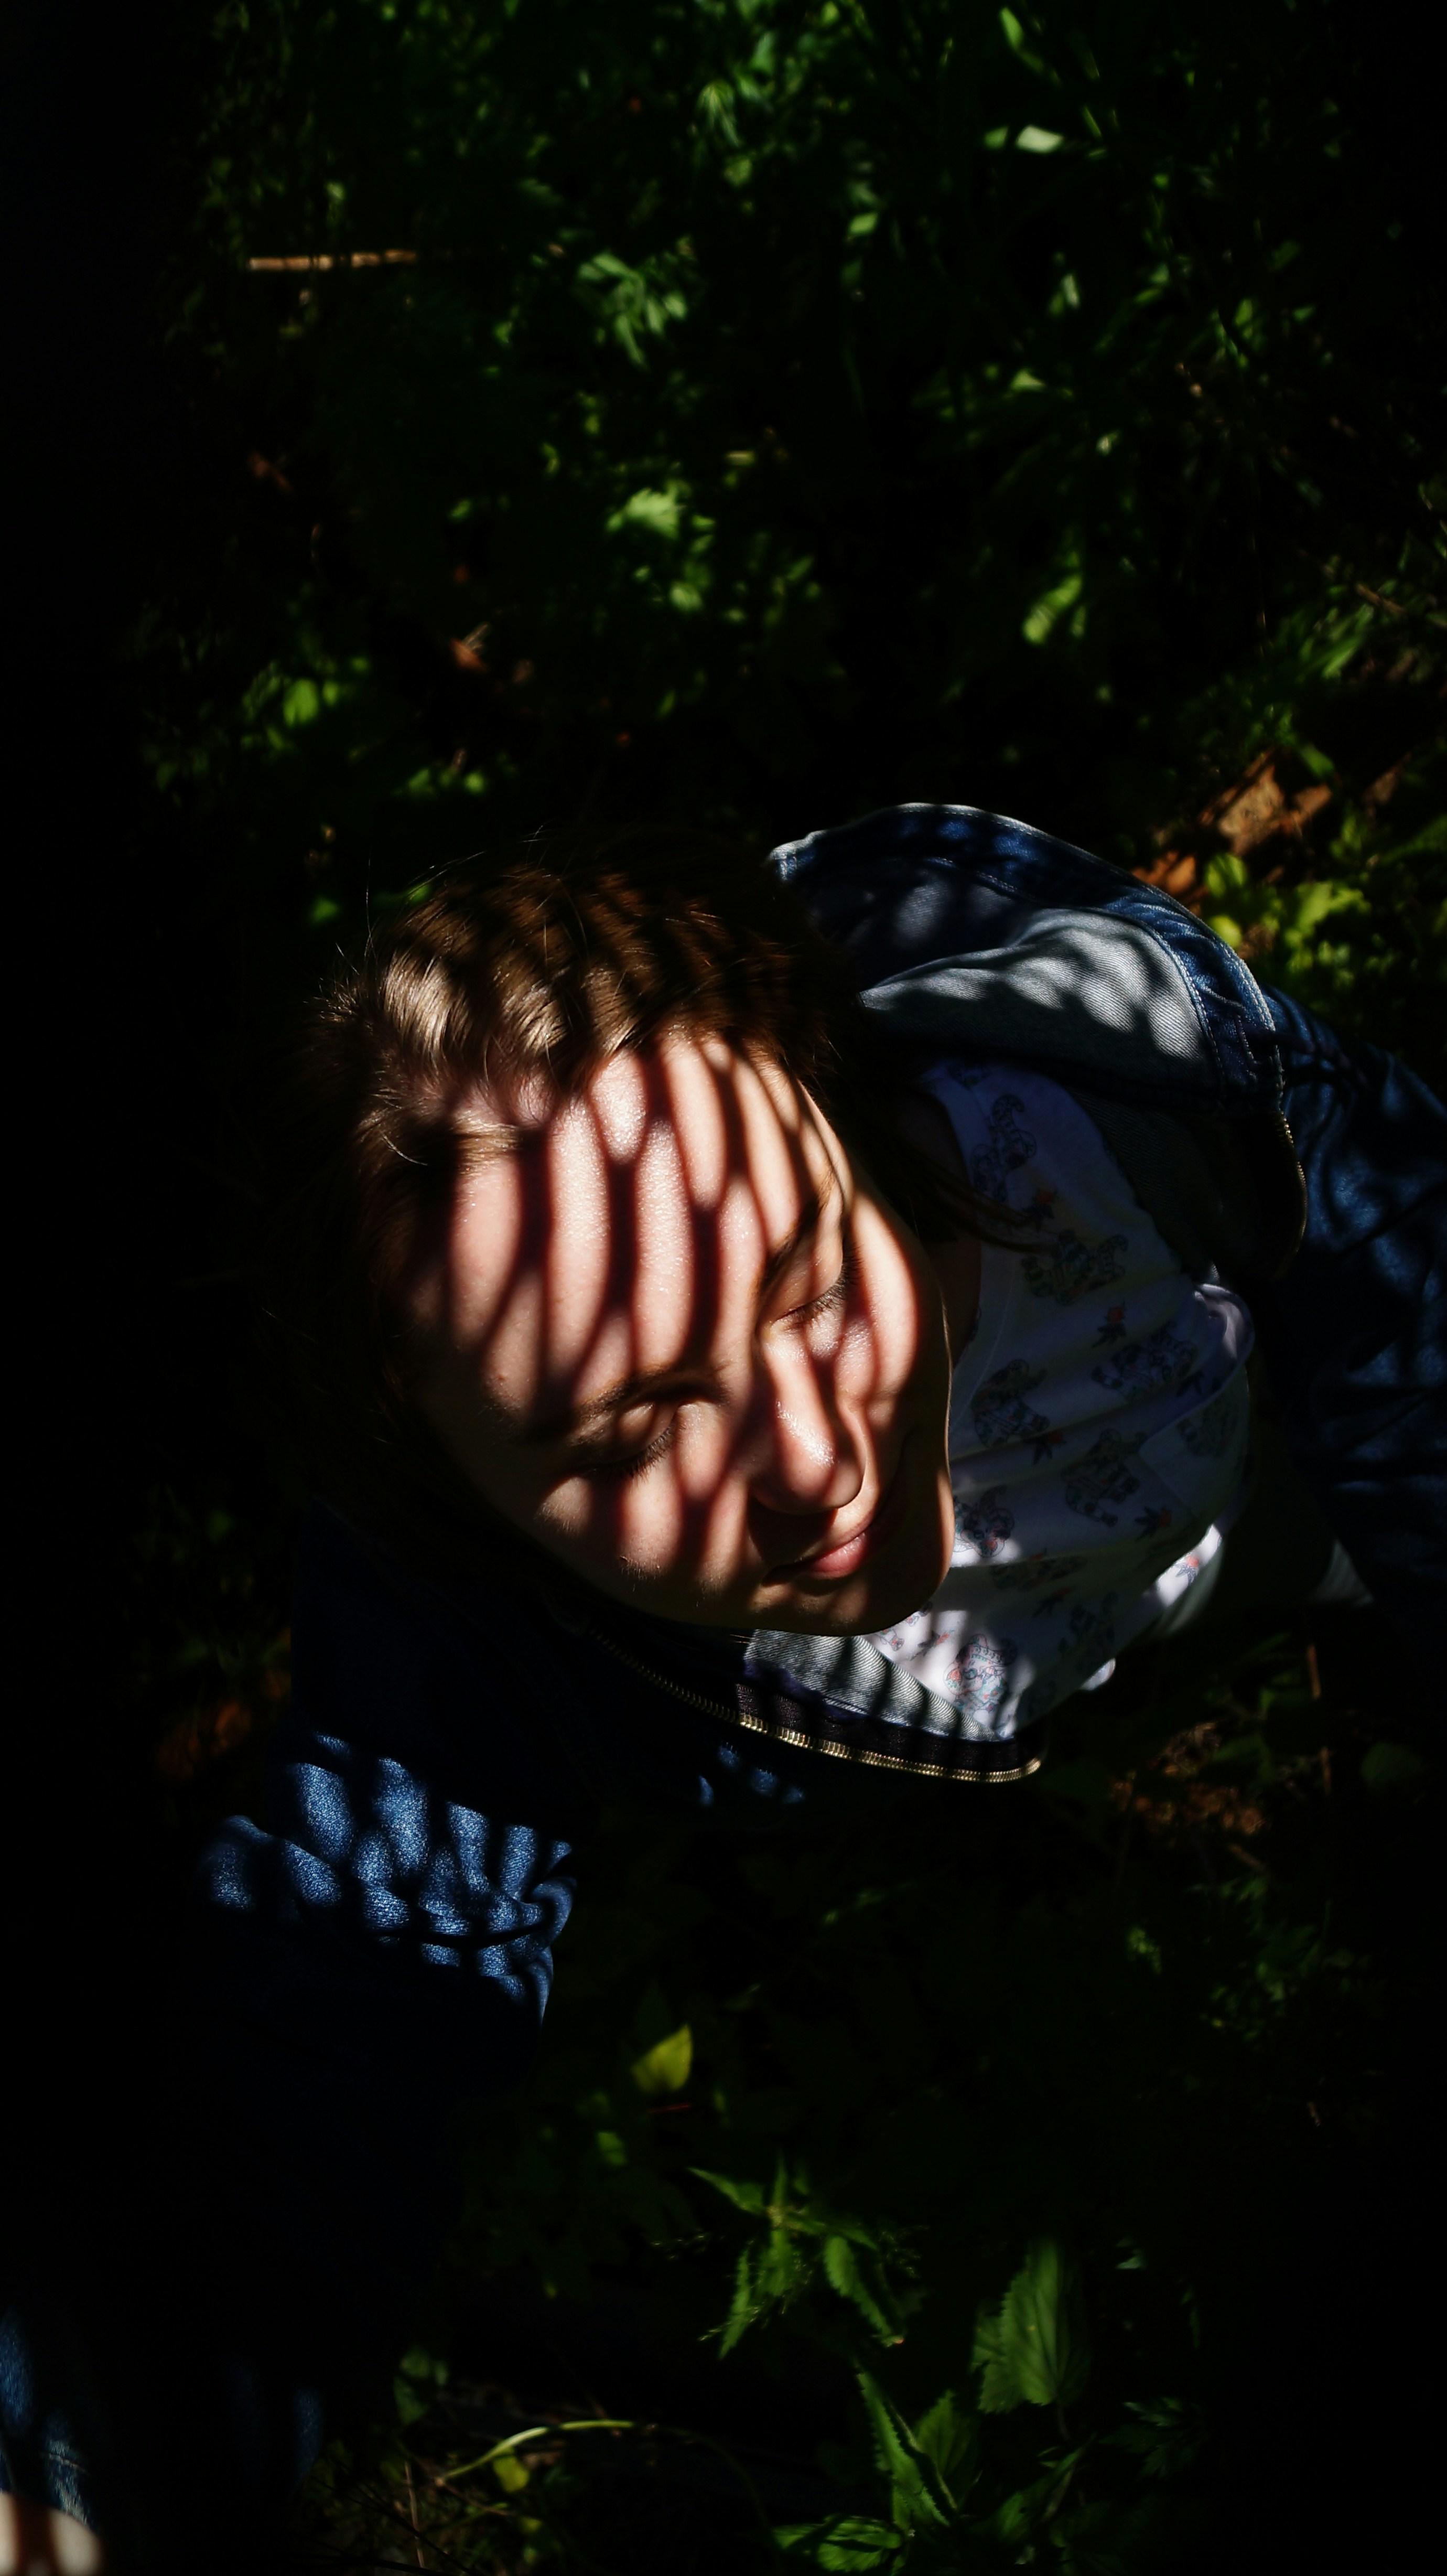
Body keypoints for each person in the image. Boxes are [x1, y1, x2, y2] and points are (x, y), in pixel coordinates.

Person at [3, 802, 1441, 2563]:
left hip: (1286, 1478)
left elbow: (1414, 1332)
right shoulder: (459, 1631)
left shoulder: (1135, 1105)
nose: (812, 1454)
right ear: (461, 1502)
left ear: (841, 1114)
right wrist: (66, 2478)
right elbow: (330, 2034)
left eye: (814, 1280)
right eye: (630, 1427)